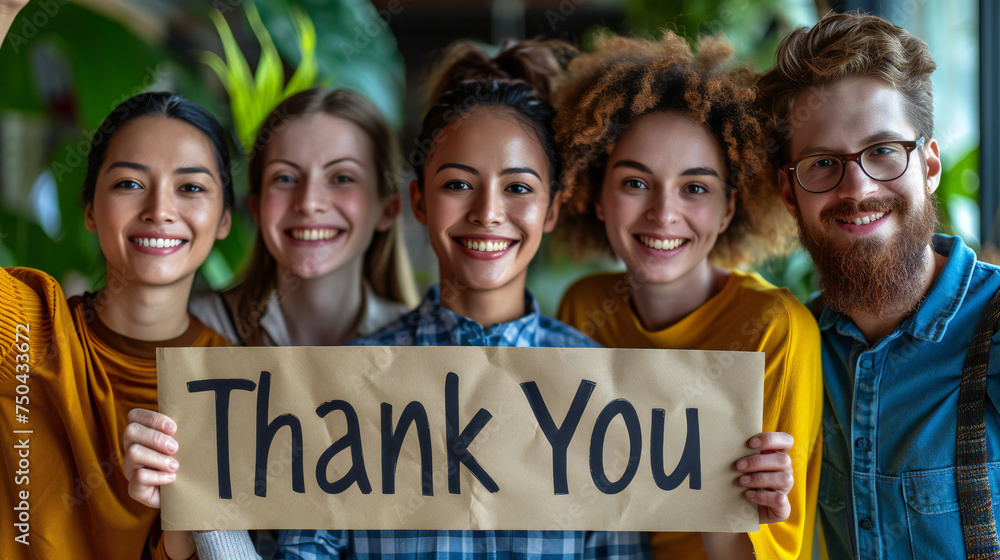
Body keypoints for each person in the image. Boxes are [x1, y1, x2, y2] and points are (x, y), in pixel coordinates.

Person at [553, 31, 821, 560]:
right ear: (596, 194)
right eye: (635, 183)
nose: (662, 213)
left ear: (726, 210)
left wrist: (729, 502)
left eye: (695, 188)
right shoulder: (582, 307)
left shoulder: (775, 328)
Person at [756, 11, 1000, 559]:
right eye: (822, 163)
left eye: (884, 151)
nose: (857, 188)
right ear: (790, 194)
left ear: (930, 165)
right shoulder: (788, 350)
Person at [0, 83, 235, 560]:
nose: (160, 212)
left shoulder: (243, 385)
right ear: (90, 210)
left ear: (225, 219)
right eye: (129, 184)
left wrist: (186, 528)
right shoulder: (26, 327)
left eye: (190, 187)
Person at [189, 86, 417, 348]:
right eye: (285, 178)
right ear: (256, 208)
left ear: (387, 211)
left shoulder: (422, 346)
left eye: (342, 178)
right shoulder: (187, 330)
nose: (308, 203)